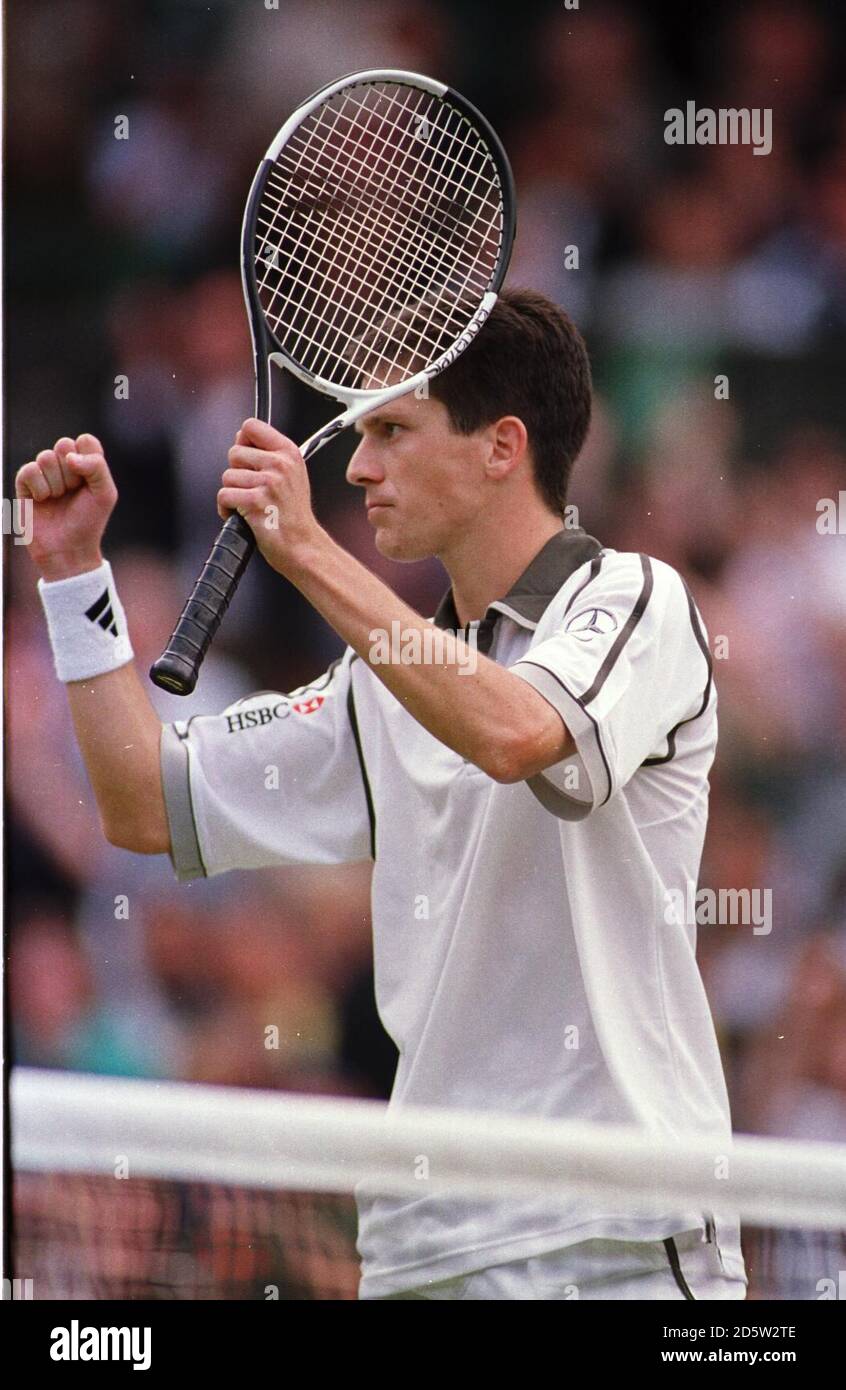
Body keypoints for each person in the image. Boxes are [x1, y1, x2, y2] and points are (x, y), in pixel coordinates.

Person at [16, 288, 747, 1300]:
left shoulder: (637, 602)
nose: (358, 467)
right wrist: (72, 579)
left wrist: (307, 548)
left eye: (392, 431)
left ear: (502, 447)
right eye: (360, 435)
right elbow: (143, 803)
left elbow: (517, 733)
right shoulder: (380, 690)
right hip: (423, 1241)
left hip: (616, 1227)